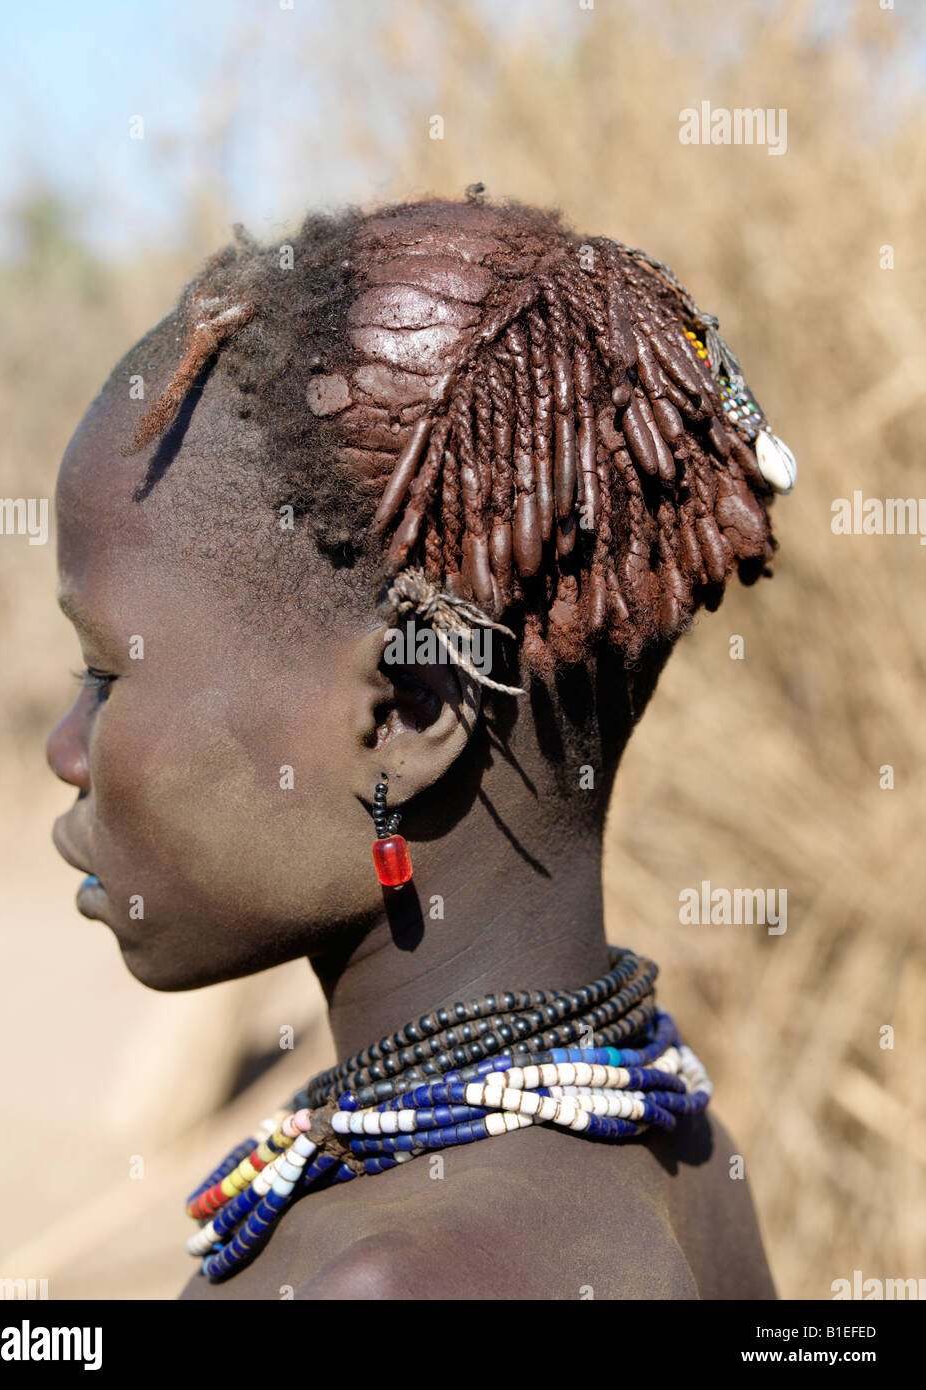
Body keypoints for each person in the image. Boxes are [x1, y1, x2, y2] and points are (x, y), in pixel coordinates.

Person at [47, 196, 790, 1299]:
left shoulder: (387, 1280)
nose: (69, 750)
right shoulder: (682, 1148)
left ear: (406, 711)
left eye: (107, 674)